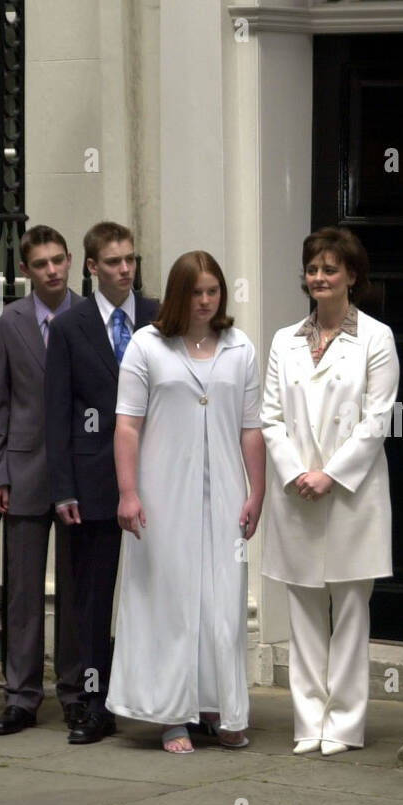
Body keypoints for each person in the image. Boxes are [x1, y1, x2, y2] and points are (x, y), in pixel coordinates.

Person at [109, 250, 265, 754]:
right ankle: (172, 715)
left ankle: (222, 707)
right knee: (170, 599)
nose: (205, 301)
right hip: (162, 490)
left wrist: (256, 490)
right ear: (179, 295)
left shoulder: (239, 347)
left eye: (213, 291)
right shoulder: (147, 345)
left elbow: (251, 428)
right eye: (196, 292)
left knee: (222, 600)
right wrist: (128, 492)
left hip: (224, 492)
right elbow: (128, 425)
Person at [261, 227, 399, 757]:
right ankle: (307, 721)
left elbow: (376, 419)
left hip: (351, 495)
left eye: (330, 269)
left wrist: (330, 475)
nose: (319, 277)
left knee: (350, 610)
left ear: (352, 277)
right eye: (313, 269)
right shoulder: (283, 340)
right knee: (302, 609)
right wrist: (297, 472)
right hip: (295, 494)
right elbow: (270, 417)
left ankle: (342, 724)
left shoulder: (376, 338)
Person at [45, 222, 158, 744]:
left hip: (157, 480)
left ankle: (170, 698)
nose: (125, 269)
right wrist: (63, 487)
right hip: (91, 485)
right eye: (113, 261)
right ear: (91, 266)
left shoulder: (160, 318)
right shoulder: (70, 327)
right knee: (92, 600)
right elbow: (57, 414)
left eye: (130, 259)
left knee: (163, 591)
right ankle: (95, 703)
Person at [0, 225, 85, 735]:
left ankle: (74, 693)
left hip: (79, 477)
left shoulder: (90, 317)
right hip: (22, 471)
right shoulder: (7, 324)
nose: (51, 270)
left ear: (70, 260)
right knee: (22, 594)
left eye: (58, 260)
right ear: (25, 270)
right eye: (40, 263)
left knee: (74, 590)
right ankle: (21, 697)